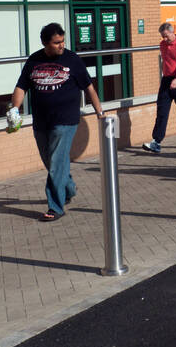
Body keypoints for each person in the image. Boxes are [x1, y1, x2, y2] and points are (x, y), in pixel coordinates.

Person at [11, 23, 110, 222]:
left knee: (56, 163)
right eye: (57, 42)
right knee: (51, 162)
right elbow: (21, 87)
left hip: (66, 121)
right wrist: (14, 108)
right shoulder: (34, 60)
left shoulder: (72, 60)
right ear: (45, 43)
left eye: (63, 41)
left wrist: (100, 111)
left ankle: (56, 206)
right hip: (41, 121)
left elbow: (89, 88)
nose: (61, 45)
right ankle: (69, 188)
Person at [143, 22, 176, 153]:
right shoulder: (162, 45)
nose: (164, 39)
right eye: (162, 37)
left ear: (172, 32)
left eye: (166, 36)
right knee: (162, 111)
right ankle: (156, 142)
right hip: (166, 80)